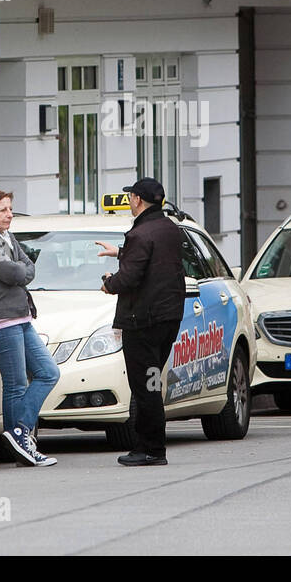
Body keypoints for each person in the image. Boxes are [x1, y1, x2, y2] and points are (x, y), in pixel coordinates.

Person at [0, 189, 59, 468]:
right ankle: (20, 439)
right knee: (16, 384)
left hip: (20, 315)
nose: (10, 214)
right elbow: (15, 272)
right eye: (3, 210)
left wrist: (21, 270)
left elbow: (28, 266)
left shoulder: (4, 235)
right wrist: (20, 271)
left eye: (10, 209)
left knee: (48, 373)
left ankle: (17, 435)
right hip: (1, 319)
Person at [95, 178, 184, 466]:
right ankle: (150, 446)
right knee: (153, 381)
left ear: (137, 200)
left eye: (131, 197)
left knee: (145, 387)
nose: (129, 202)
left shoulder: (140, 233)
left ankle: (152, 449)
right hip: (167, 319)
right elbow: (155, 262)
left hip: (142, 321)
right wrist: (120, 253)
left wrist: (110, 283)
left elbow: (130, 277)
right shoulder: (169, 228)